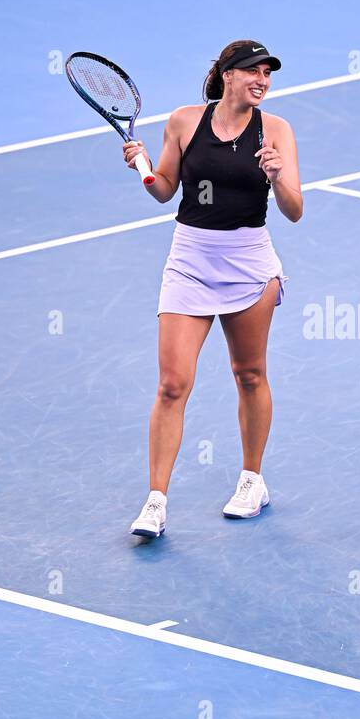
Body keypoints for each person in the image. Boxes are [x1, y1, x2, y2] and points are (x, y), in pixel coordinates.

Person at [124, 40, 303, 539]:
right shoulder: (184, 122)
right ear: (227, 75)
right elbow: (164, 191)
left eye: (267, 73)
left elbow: (294, 209)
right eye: (252, 71)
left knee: (249, 374)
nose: (262, 80)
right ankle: (156, 501)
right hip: (190, 261)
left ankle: (252, 479)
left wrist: (277, 175)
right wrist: (142, 167)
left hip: (248, 261)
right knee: (172, 383)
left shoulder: (277, 131)